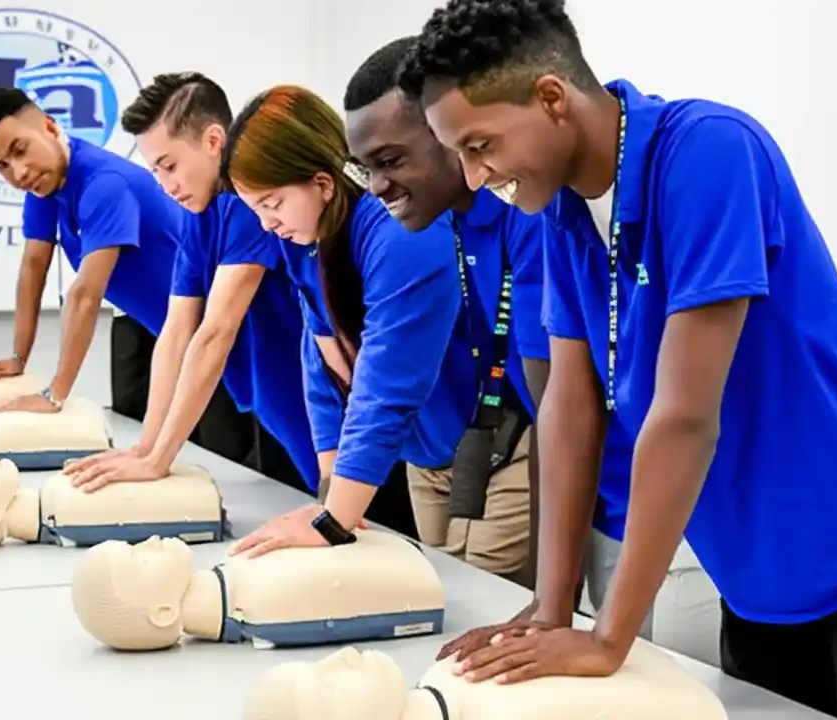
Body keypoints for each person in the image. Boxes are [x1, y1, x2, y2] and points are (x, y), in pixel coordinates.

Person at [399, 1, 837, 718]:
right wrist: (551, 609)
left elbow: (685, 417)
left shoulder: (709, 152)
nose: (472, 178)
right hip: (754, 580)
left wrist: (609, 637)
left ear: (552, 99)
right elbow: (570, 402)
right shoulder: (559, 210)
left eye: (479, 145)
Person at [346, 36, 721, 662]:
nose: (380, 186)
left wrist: (580, 617)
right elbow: (565, 404)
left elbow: (633, 412)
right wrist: (553, 605)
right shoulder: (534, 210)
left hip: (674, 511)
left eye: (393, 159)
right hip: (608, 503)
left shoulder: (692, 153)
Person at [220, 84, 498, 551]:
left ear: (323, 183)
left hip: (495, 448)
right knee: (444, 593)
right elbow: (321, 367)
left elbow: (387, 384)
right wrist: (329, 497)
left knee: (490, 607)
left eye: (272, 205)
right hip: (428, 457)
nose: (267, 224)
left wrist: (332, 523)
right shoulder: (308, 243)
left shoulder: (399, 231)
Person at [0, 87, 257, 465]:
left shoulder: (105, 184)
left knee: (234, 463)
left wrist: (56, 394)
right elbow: (34, 266)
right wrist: (19, 357)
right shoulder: (43, 188)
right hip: (171, 335)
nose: (17, 173)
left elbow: (86, 293)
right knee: (165, 453)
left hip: (226, 336)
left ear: (49, 127)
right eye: (0, 165)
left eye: (20, 150)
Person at [343, 37, 546, 587]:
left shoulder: (526, 210)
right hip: (437, 447)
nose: (379, 186)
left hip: (527, 446)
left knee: (488, 603)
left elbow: (556, 396)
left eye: (390, 160)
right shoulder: (408, 224)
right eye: (364, 169)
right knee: (446, 595)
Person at [64, 72, 319, 495]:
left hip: (311, 397)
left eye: (170, 166)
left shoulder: (247, 207)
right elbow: (177, 331)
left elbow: (215, 333)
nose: (166, 186)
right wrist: (146, 449)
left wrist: (160, 460)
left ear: (214, 141)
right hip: (271, 397)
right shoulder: (200, 218)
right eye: (156, 171)